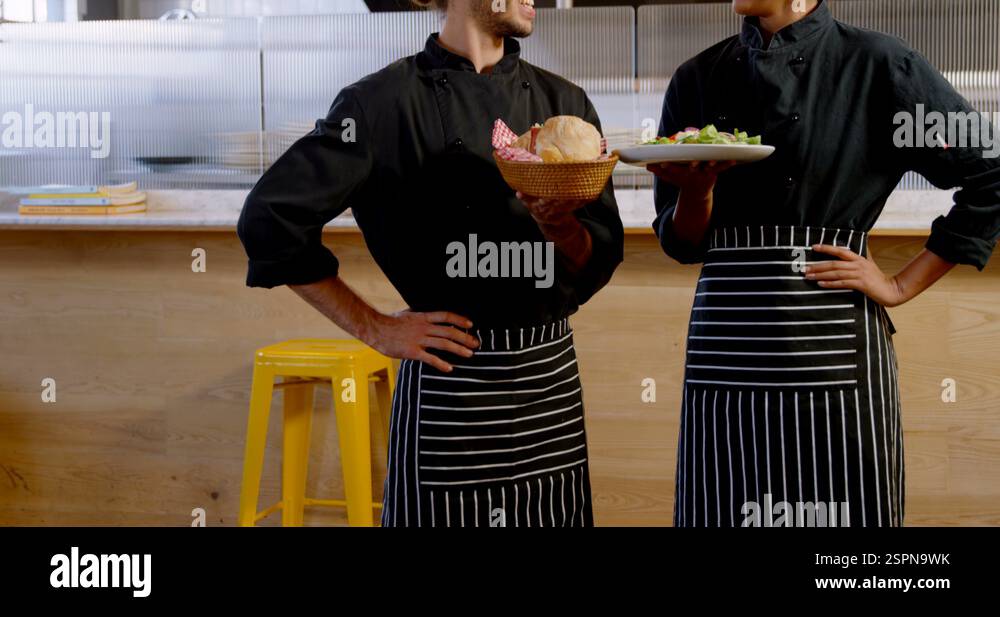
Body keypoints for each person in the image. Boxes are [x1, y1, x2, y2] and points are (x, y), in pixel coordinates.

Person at [237, 0, 623, 527]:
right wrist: (373, 327)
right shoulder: (379, 105)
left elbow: (596, 261)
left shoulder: (564, 104)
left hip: (547, 389)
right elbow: (269, 221)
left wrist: (558, 226)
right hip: (450, 389)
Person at [650, 0, 1000, 527]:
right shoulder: (697, 77)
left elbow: (990, 174)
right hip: (725, 353)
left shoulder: (879, 64)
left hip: (831, 348)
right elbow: (682, 244)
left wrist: (900, 285)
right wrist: (698, 193)